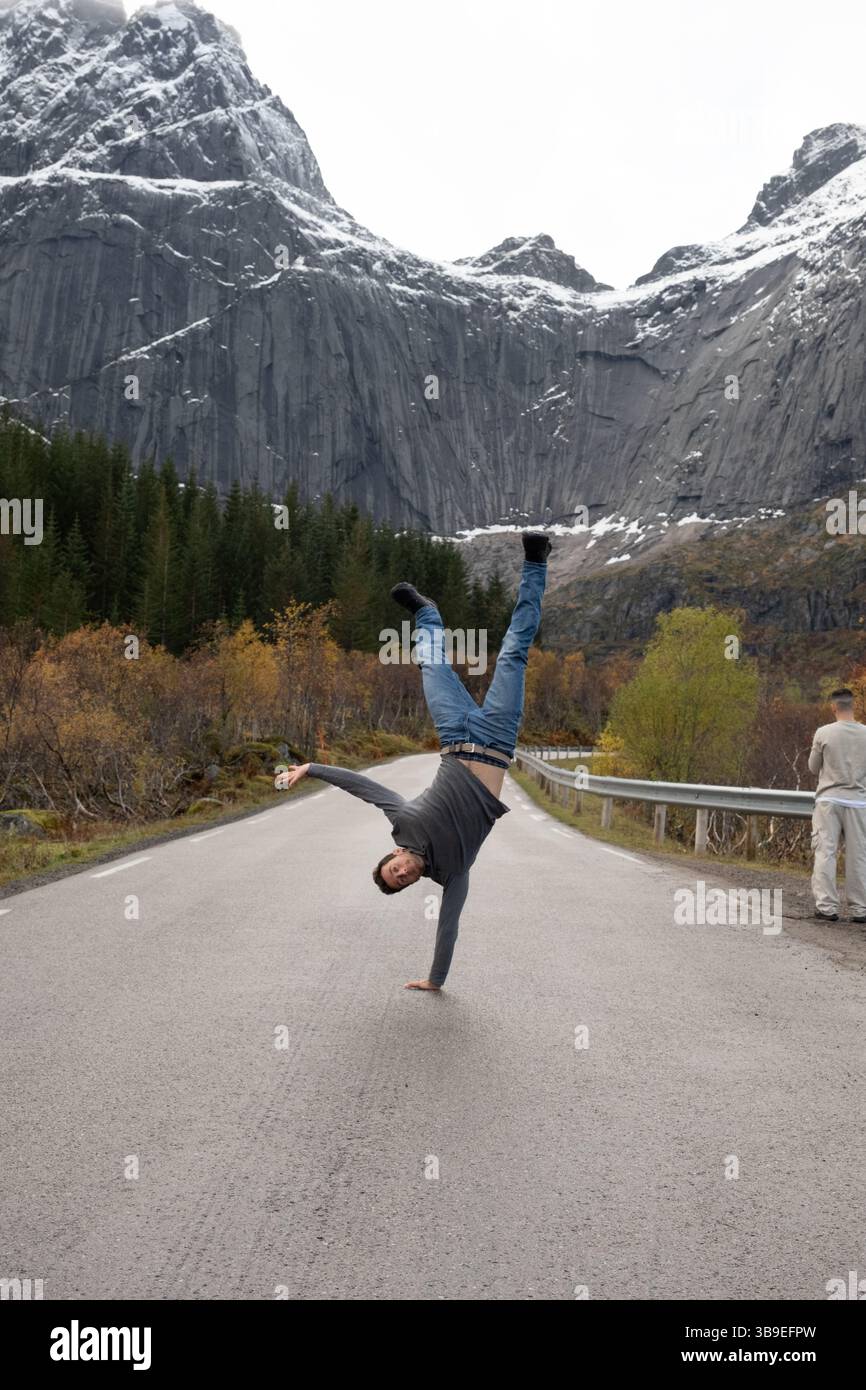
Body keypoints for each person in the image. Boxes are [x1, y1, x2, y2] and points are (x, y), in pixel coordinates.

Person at [281, 531, 551, 989]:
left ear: (393, 854)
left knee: (431, 665)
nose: (403, 874)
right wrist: (435, 980)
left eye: (394, 869)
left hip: (453, 734)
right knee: (513, 653)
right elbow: (449, 927)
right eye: (403, 881)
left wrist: (310, 768)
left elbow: (364, 788)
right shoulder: (454, 871)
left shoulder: (402, 822)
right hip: (497, 739)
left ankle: (425, 612)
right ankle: (536, 564)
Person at [808, 687, 866, 923]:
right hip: (859, 802)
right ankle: (860, 909)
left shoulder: (823, 733)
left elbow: (813, 767)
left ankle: (827, 907)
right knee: (859, 855)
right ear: (853, 706)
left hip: (828, 801)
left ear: (833, 707)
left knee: (825, 852)